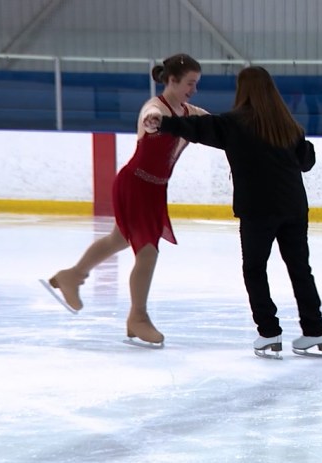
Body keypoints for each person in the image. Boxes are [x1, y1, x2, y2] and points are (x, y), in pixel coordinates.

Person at [145, 66, 322, 360]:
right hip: (294, 208)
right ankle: (315, 330)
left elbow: (198, 129)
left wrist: (165, 123)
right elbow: (306, 161)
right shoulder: (288, 125)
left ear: (242, 91)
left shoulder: (234, 124)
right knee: (299, 269)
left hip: (258, 210)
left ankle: (269, 333)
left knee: (255, 270)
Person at [41, 54, 207, 348]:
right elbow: (150, 119)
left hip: (154, 190)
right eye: (189, 83)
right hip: (136, 185)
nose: (193, 89)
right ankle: (138, 317)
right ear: (172, 80)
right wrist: (155, 123)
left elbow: (214, 124)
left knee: (117, 240)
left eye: (196, 84)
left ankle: (71, 276)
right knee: (147, 252)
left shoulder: (187, 110)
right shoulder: (155, 108)